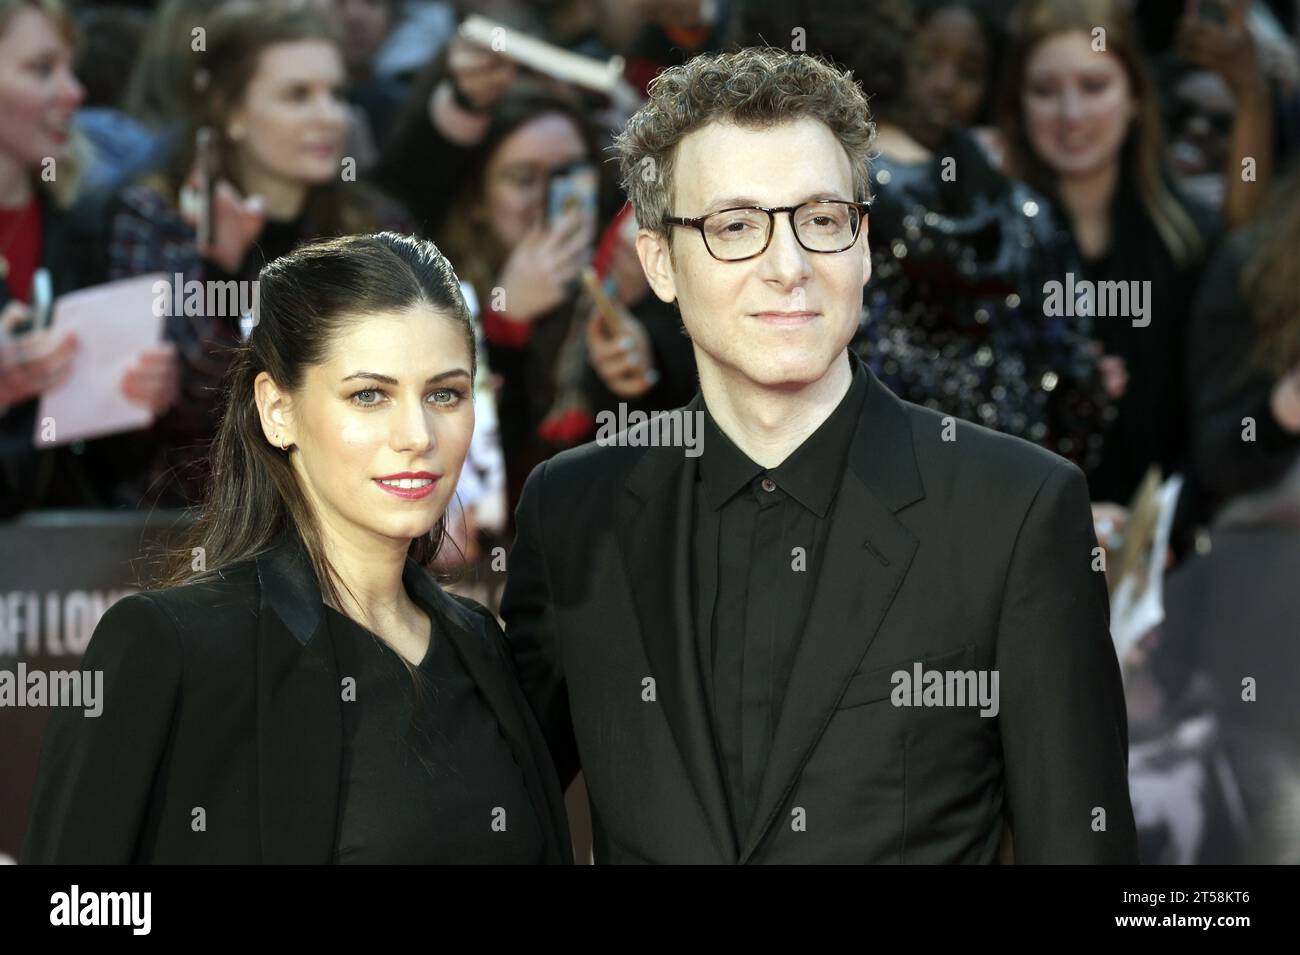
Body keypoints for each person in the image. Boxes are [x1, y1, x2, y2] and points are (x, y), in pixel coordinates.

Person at [501, 47, 1137, 864]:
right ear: (659, 261)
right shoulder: (573, 512)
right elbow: (488, 806)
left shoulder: (1014, 511)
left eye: (821, 220)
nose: (789, 266)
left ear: (863, 243)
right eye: (735, 226)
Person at [22, 233, 571, 864]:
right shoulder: (171, 646)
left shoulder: (478, 644)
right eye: (370, 395)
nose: (417, 435)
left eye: (444, 393)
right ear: (276, 409)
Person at [106, 1, 413, 508]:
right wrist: (220, 272)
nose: (329, 117)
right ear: (233, 113)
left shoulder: (377, 229)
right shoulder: (158, 216)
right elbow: (189, 409)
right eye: (298, 96)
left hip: (353, 516)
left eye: (336, 94)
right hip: (194, 524)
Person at [999, 0, 1218, 513]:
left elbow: (1213, 425)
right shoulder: (988, 248)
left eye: (1094, 86)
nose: (1071, 114)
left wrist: (1164, 525)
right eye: (1045, 91)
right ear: (1018, 104)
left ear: (1136, 95)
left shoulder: (1190, 244)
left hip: (1163, 559)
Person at [0, 0, 178, 517]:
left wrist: (140, 403)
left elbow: (110, 467)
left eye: (70, 69)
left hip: (65, 570)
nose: (74, 93)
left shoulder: (87, 222)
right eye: (41, 69)